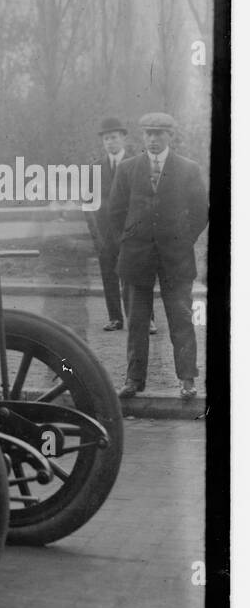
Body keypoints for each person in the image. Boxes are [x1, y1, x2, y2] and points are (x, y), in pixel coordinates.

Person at [107, 112, 208, 400]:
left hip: (176, 258)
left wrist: (181, 239)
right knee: (137, 323)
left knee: (181, 320)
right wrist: (128, 242)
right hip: (135, 258)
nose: (153, 138)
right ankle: (133, 379)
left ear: (170, 136)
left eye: (159, 133)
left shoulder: (188, 169)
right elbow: (115, 213)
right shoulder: (127, 169)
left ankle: (187, 380)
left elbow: (200, 211)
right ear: (142, 135)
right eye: (148, 133)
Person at [90, 117, 130, 331]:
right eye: (106, 138)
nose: (110, 142)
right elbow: (89, 205)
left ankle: (145, 319)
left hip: (131, 233)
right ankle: (115, 318)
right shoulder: (95, 168)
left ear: (123, 138)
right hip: (105, 236)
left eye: (114, 137)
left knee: (135, 277)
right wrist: (97, 237)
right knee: (109, 276)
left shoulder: (137, 164)